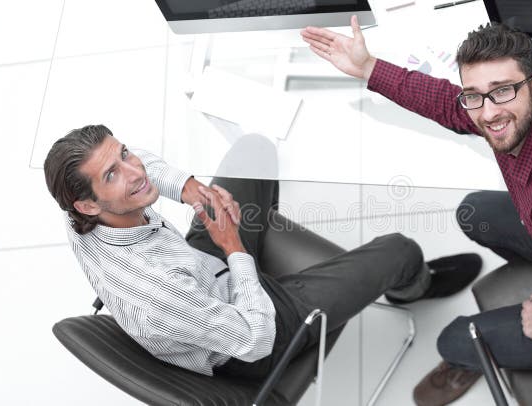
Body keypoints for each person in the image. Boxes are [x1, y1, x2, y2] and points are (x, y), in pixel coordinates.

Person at [302, 18, 532, 406]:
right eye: (474, 95)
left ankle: (506, 338)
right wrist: (368, 67)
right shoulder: (530, 102)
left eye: (501, 92)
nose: (488, 113)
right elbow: (450, 104)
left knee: (454, 340)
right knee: (473, 211)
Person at [43, 125, 482, 380]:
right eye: (113, 174)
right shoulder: (154, 292)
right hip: (251, 334)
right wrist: (235, 248)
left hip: (201, 273)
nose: (135, 171)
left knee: (253, 150)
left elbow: (143, 166)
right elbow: (254, 341)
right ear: (87, 203)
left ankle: (253, 238)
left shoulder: (80, 212)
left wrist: (190, 187)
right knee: (401, 250)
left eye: (124, 154)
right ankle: (411, 288)